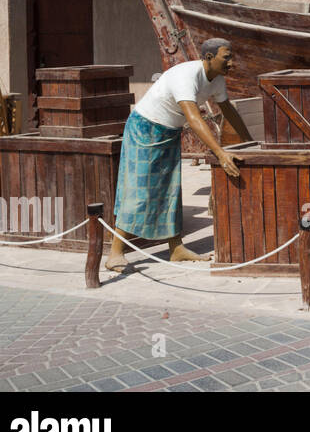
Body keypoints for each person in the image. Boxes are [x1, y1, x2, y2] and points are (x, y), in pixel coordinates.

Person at [107, 38, 250, 272]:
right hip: (144, 128)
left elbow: (229, 112)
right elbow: (194, 118)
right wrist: (220, 154)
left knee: (171, 190)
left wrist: (250, 142)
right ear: (208, 58)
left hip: (170, 131)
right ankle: (115, 253)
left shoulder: (217, 81)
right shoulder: (187, 76)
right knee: (139, 190)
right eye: (227, 57)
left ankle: (176, 248)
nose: (232, 63)